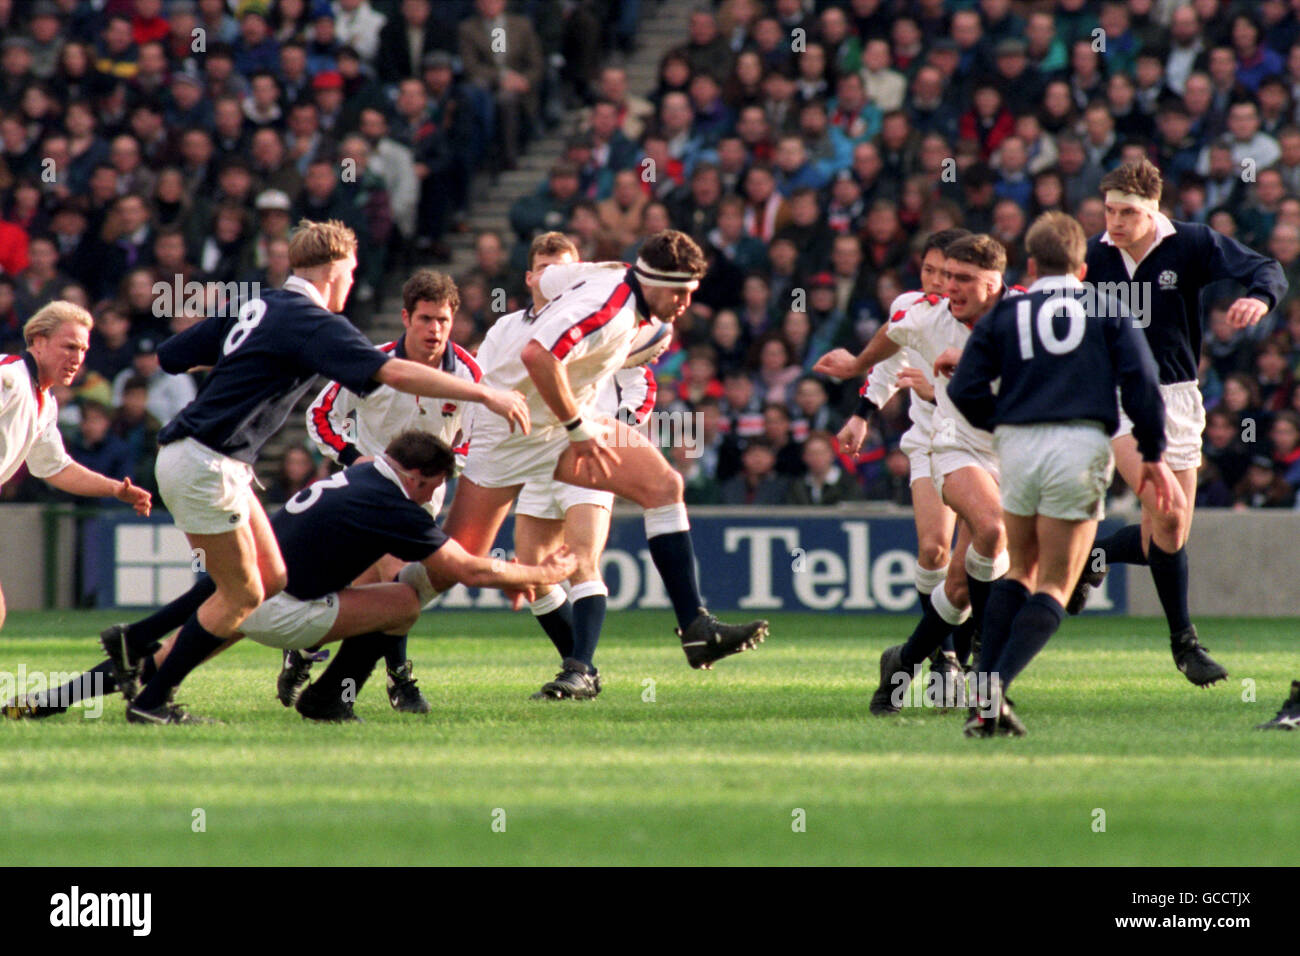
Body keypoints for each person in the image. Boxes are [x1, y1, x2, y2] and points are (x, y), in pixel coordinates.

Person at [100, 218, 530, 724]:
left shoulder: (259, 303)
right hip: (208, 460)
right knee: (242, 594)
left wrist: (246, 362)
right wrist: (485, 393)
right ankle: (152, 702)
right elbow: (387, 371)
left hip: (205, 456)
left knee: (270, 576)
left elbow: (173, 356)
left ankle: (133, 643)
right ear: (334, 270)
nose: (352, 284)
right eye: (350, 273)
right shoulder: (313, 320)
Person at [5, 432, 577, 722]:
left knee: (168, 655)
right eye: (434, 487)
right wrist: (541, 570)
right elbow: (464, 569)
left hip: (256, 582)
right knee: (404, 600)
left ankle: (49, 702)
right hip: (283, 606)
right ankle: (330, 696)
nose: (432, 499)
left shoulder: (358, 476)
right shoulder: (394, 502)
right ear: (422, 477)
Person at [433, 230, 769, 698]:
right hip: (511, 429)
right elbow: (536, 355)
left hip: (563, 421)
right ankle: (363, 628)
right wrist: (576, 425)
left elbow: (551, 288)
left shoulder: (610, 276)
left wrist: (579, 416)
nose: (686, 305)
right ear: (655, 283)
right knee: (447, 568)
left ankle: (694, 627)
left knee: (664, 486)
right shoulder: (609, 311)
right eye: (682, 293)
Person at [946, 212, 1176, 735]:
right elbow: (1142, 382)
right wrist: (1154, 453)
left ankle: (985, 696)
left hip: (1019, 447)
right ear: (1082, 267)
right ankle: (991, 692)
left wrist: (1001, 423)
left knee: (1018, 570)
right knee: (1056, 579)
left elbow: (963, 388)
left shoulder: (1007, 313)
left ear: (1030, 263)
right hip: (1078, 445)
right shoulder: (1106, 308)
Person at [1071, 160, 1288, 686]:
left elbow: (1269, 270)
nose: (1116, 222)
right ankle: (1185, 643)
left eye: (1128, 212)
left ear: (1154, 210)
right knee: (1161, 503)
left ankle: (1096, 551)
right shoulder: (1092, 256)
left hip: (1179, 398)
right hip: (1118, 397)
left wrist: (1258, 299)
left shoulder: (1190, 243)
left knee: (1168, 531)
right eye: (1109, 210)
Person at [818, 235, 1017, 716]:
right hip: (947, 443)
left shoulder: (1026, 313)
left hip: (1009, 452)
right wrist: (858, 372)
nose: (944, 285)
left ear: (994, 282)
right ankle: (978, 673)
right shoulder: (924, 310)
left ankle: (905, 661)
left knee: (960, 585)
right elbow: (894, 335)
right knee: (967, 537)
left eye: (957, 277)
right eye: (938, 273)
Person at [475, 233, 658, 700]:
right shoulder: (504, 330)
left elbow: (641, 385)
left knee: (580, 560)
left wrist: (611, 431)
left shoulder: (600, 317)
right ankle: (578, 669)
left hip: (587, 453)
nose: (554, 277)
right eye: (545, 268)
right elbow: (486, 388)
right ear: (531, 276)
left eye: (565, 267)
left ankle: (580, 668)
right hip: (535, 458)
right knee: (534, 574)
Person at [301, 269, 481, 713]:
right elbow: (320, 414)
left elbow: (478, 435)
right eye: (425, 319)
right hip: (371, 496)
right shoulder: (373, 364)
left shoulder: (470, 374)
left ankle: (304, 652)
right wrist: (352, 458)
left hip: (425, 500)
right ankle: (399, 680)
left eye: (442, 320)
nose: (434, 330)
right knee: (396, 585)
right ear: (405, 318)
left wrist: (444, 468)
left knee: (367, 599)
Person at [826, 227, 971, 699]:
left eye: (945, 273)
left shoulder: (989, 314)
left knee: (975, 566)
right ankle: (946, 656)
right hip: (932, 437)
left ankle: (936, 658)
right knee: (934, 551)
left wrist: (939, 388)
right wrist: (861, 415)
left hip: (986, 441)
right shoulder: (912, 308)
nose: (935, 281)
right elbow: (887, 365)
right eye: (928, 270)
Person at [0, 302, 151, 632]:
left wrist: (115, 489)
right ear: (38, 341)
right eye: (69, 346)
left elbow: (55, 468)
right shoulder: (9, 377)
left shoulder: (44, 401)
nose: (78, 357)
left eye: (83, 349)